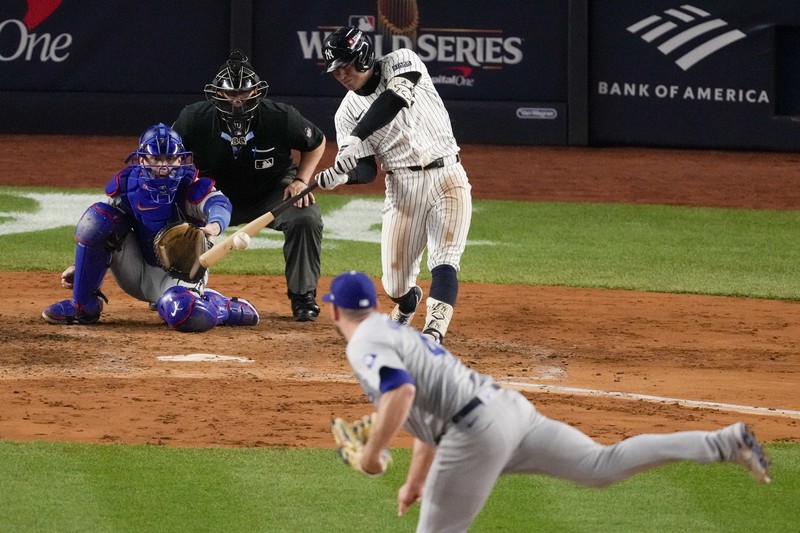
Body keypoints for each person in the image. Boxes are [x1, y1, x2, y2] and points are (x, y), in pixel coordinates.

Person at [322, 270, 772, 533]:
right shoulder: (395, 331)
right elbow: (430, 418)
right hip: (509, 411)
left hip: (473, 432)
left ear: (335, 311)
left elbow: (401, 392)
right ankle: (724, 443)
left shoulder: (363, 343)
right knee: (602, 465)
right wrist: (416, 481)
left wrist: (376, 453)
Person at [316, 26, 472, 344]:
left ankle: (433, 331)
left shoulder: (402, 60)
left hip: (448, 174)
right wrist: (344, 174)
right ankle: (408, 301)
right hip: (403, 185)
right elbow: (367, 169)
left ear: (363, 56)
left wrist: (357, 139)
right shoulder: (345, 114)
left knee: (445, 258)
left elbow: (394, 99)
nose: (341, 74)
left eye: (345, 65)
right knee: (395, 285)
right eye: (336, 70)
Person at [42, 123, 259, 332]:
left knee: (185, 314)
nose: (163, 166)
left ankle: (223, 307)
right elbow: (102, 231)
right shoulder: (128, 185)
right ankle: (83, 305)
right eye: (156, 158)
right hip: (136, 269)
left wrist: (213, 227)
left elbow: (219, 204)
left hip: (182, 275)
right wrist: (83, 268)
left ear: (180, 159)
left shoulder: (189, 185)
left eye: (170, 158)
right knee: (98, 218)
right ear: (143, 159)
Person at [173, 50, 326, 322]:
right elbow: (171, 155)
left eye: (243, 94)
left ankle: (303, 296)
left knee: (306, 216)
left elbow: (316, 142)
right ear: (217, 94)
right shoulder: (194, 119)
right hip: (212, 196)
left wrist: (301, 180)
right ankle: (171, 289)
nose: (237, 102)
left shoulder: (281, 117)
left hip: (270, 193)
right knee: (168, 213)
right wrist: (181, 190)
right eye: (230, 94)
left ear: (257, 92)